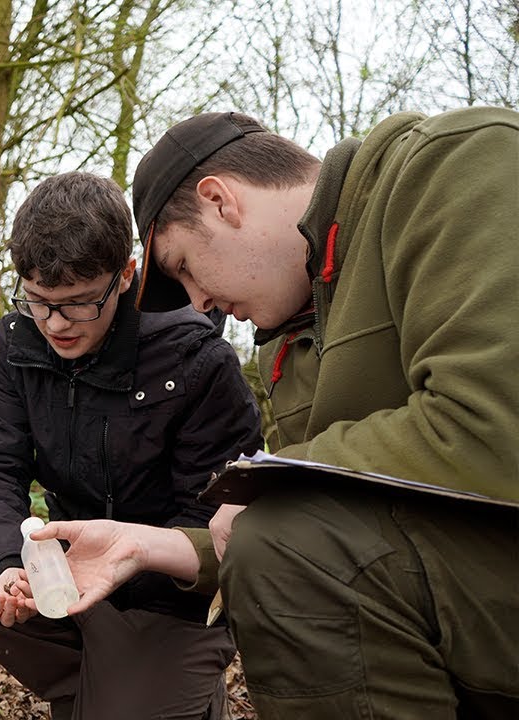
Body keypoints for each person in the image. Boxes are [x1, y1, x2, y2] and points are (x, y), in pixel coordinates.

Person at [32, 110, 519, 718]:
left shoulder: (449, 164)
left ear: (220, 202)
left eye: (184, 268)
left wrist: (272, 476)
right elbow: (310, 527)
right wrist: (141, 546)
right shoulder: (287, 339)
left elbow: (496, 424)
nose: (199, 302)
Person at [0, 172, 264, 720]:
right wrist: (8, 565)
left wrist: (130, 556)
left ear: (125, 275)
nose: (56, 324)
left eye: (78, 303)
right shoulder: (16, 341)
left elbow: (212, 517)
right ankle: (106, 682)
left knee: (120, 699)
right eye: (38, 301)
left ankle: (145, 681)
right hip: (71, 573)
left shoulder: (195, 358)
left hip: (169, 601)